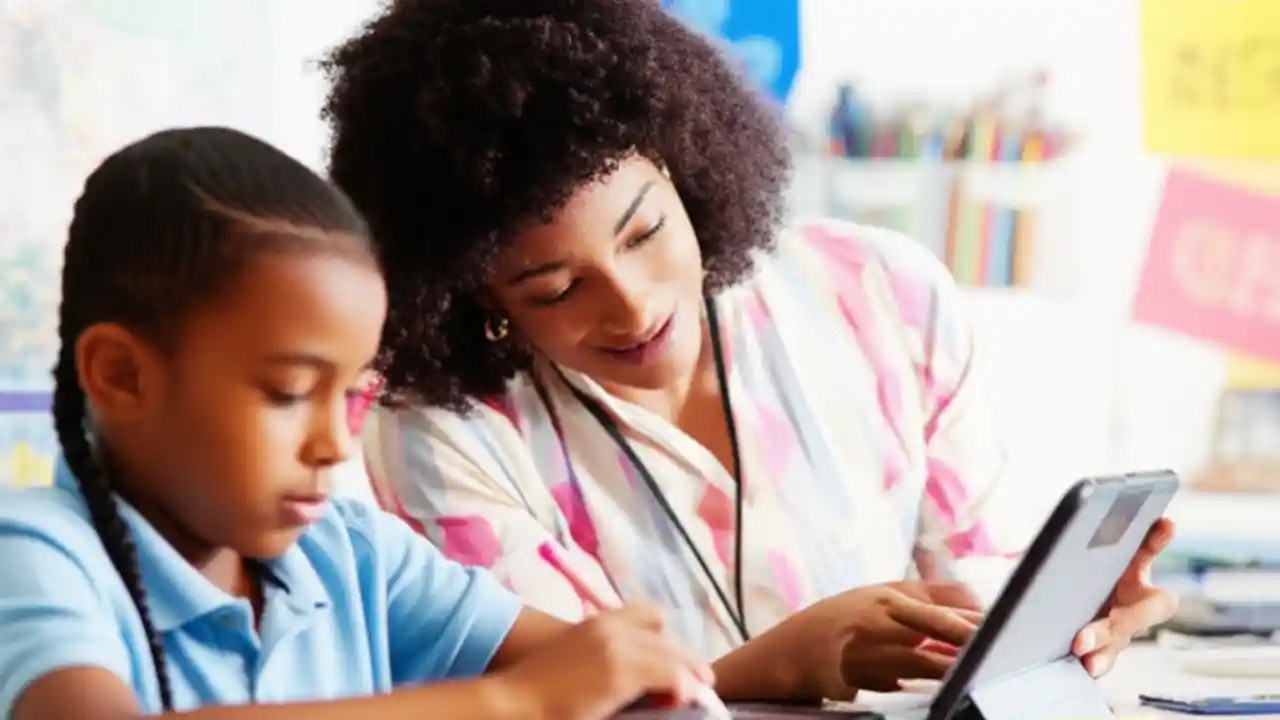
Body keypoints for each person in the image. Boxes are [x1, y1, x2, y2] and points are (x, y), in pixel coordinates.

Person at [324, 0, 1178, 701]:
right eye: (555, 290)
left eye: (647, 231)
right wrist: (775, 664)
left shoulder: (880, 293)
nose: (632, 303)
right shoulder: (440, 432)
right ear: (472, 292)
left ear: (680, 162)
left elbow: (973, 588)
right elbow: (552, 696)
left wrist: (1068, 619)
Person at [0, 127, 714, 720]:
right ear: (123, 376)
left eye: (352, 398)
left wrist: (700, 672)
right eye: (287, 392)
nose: (335, 445)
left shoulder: (350, 552)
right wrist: (512, 703)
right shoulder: (41, 556)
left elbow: (597, 677)